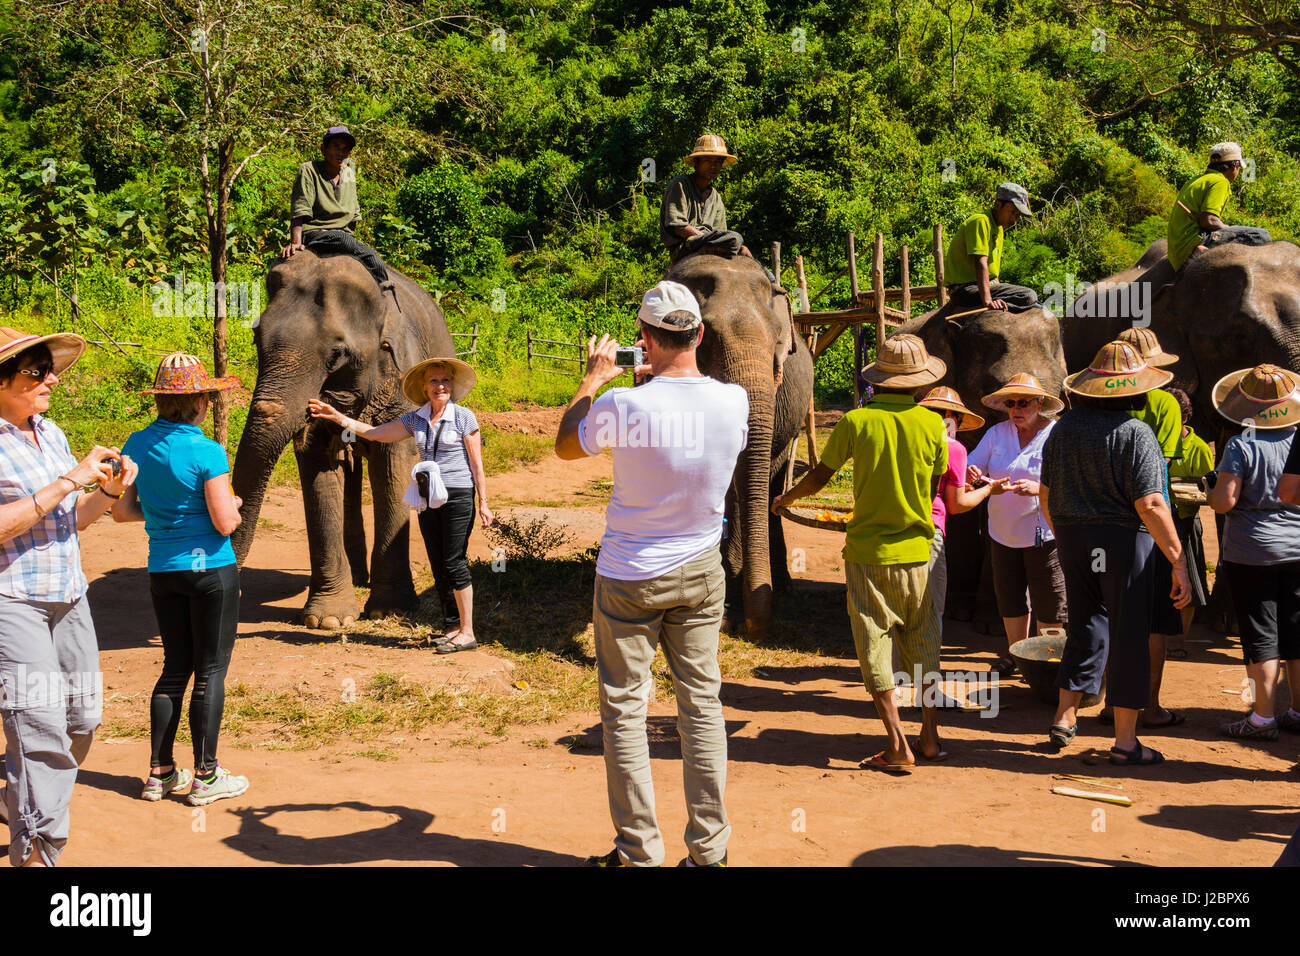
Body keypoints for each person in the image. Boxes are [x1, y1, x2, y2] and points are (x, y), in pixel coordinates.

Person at [555, 280, 748, 867]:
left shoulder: (622, 405)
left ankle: (639, 852)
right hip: (701, 568)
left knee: (624, 711)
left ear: (644, 339)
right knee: (702, 705)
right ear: (701, 333)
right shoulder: (734, 399)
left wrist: (593, 381)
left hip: (629, 575)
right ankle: (708, 852)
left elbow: (566, 446)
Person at [774, 334, 948, 768]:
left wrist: (786, 500)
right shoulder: (933, 425)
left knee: (874, 643)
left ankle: (897, 743)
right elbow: (930, 490)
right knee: (924, 643)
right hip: (919, 552)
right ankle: (930, 737)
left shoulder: (855, 422)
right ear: (919, 383)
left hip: (869, 553)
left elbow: (819, 477)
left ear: (878, 381)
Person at [0, 326, 136, 866]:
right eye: (36, 371)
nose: (51, 378)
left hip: (69, 596)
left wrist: (105, 491)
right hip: (14, 600)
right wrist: (63, 481)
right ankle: (38, 852)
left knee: (82, 717)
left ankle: (20, 798)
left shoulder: (49, 432)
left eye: (48, 368)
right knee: (38, 727)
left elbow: (68, 523)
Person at [1040, 340, 1191, 766]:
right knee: (1129, 633)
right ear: (1132, 391)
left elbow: (1045, 496)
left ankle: (1064, 716)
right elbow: (1151, 503)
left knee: (1086, 622)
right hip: (1123, 540)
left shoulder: (1062, 429)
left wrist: (1069, 535)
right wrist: (1178, 560)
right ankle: (1126, 742)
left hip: (1073, 536)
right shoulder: (1135, 432)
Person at [113, 354, 249, 806]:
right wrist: (236, 504)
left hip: (163, 569)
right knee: (210, 671)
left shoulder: (135, 443)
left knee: (175, 668)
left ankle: (160, 773)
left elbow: (123, 510)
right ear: (199, 401)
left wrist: (166, 516)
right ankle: (207, 776)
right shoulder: (206, 450)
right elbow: (225, 522)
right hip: (210, 568)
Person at [310, 357, 492, 653]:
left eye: (445, 380)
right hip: (428, 496)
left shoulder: (464, 417)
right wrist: (336, 417)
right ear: (424, 387)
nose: (440, 386)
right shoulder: (415, 419)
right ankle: (451, 627)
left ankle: (468, 631)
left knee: (454, 561)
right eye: (434, 381)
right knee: (438, 563)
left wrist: (483, 502)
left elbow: (477, 464)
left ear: (452, 385)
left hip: (458, 494)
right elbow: (374, 433)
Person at [1206, 363, 1300, 742]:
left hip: (1252, 553)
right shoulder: (1298, 438)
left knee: (1261, 635)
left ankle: (1261, 719)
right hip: (1297, 548)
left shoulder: (1241, 444)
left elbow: (1226, 502)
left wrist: (1210, 492)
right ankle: (1295, 711)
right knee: (1297, 632)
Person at [965, 373, 1067, 677]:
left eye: (1023, 402)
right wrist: (972, 471)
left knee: (1049, 600)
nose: (1016, 409)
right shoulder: (997, 433)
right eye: (1011, 403)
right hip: (1001, 533)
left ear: (1040, 403)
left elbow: (1070, 480)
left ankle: (1048, 660)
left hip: (1045, 535)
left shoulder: (1056, 435)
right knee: (1010, 598)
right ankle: (1016, 655)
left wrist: (1039, 489)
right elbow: (974, 464)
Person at [1113, 326, 1186, 728]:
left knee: (1111, 614)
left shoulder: (1095, 407)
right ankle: (1150, 705)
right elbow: (1162, 467)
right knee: (1154, 619)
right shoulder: (1166, 404)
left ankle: (1109, 703)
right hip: (1152, 520)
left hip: (1106, 521)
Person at [280, 125, 402, 313]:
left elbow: (353, 209)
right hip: (317, 234)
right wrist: (296, 242)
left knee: (360, 251)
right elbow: (300, 207)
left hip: (343, 237)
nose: (341, 152)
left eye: (345, 148)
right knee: (370, 258)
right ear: (323, 149)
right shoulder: (309, 170)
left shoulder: (348, 170)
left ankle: (380, 304)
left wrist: (351, 239)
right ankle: (387, 304)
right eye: (336, 146)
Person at [917, 386, 986, 632]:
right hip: (929, 532)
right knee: (930, 609)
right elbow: (957, 505)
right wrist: (989, 490)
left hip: (892, 528)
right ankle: (923, 669)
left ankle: (893, 669)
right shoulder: (954, 449)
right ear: (950, 417)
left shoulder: (907, 439)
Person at [1166, 142, 1271, 274]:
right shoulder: (1221, 182)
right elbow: (1208, 220)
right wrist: (1228, 228)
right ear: (1234, 166)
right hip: (1192, 243)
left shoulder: (1198, 179)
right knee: (1260, 235)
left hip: (1177, 250)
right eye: (1239, 168)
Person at [941, 183, 1039, 319]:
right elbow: (981, 263)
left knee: (1033, 301)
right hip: (966, 289)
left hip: (984, 287)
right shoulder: (980, 222)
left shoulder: (999, 230)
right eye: (1012, 212)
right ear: (998, 204)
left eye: (1018, 215)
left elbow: (993, 273)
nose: (1014, 219)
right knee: (1028, 295)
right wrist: (987, 301)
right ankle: (988, 308)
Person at [659, 134, 752, 263]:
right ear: (696, 162)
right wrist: (710, 240)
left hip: (710, 244)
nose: (714, 166)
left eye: (718, 162)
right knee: (734, 239)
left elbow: (720, 232)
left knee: (744, 250)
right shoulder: (680, 184)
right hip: (685, 246)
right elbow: (679, 228)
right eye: (708, 161)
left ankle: (772, 281)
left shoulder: (716, 197)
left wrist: (716, 241)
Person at [1166, 387, 1213, 643]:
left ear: (1184, 418)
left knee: (1190, 580)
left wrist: (1178, 489)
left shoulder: (1199, 448)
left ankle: (1178, 640)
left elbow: (1210, 491)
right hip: (1156, 521)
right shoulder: (1152, 440)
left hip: (1185, 520)